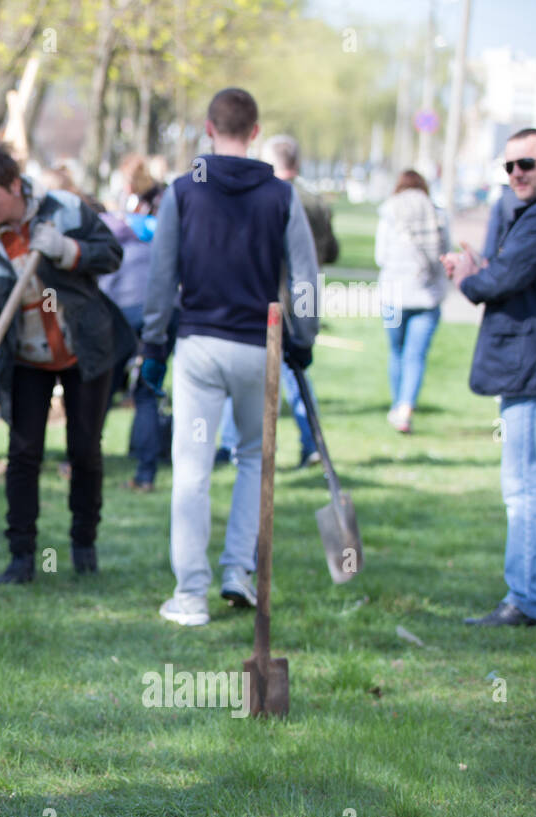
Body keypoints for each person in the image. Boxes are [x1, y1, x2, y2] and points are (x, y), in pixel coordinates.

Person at [141, 88, 320, 626]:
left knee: (193, 469)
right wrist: (304, 337)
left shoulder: (181, 191)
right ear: (256, 130)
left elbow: (159, 276)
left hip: (199, 344)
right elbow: (306, 278)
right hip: (257, 345)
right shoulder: (281, 195)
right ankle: (237, 570)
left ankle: (191, 594)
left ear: (207, 127)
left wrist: (153, 343)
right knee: (252, 460)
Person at [0, 146, 133, 582]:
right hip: (25, 360)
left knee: (84, 449)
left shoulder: (67, 209)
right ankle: (21, 557)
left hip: (84, 350)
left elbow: (110, 253)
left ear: (16, 186)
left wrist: (67, 249)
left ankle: (83, 546)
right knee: (23, 453)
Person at [444, 127, 536, 628]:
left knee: (525, 487)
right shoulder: (529, 215)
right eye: (508, 167)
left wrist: (470, 275)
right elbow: (512, 271)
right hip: (532, 367)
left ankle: (527, 601)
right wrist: (479, 267)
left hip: (534, 370)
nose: (516, 175)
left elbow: (500, 281)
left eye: (527, 164)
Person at [219, 134, 338, 468]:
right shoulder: (313, 199)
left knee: (249, 376)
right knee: (291, 374)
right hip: (295, 296)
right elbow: (330, 250)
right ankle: (308, 440)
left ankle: (235, 445)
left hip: (271, 298)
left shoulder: (267, 198)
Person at [98, 154, 168, 491]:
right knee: (147, 392)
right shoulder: (162, 221)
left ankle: (80, 461)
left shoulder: (112, 224)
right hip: (154, 312)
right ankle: (145, 474)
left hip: (119, 312)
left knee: (103, 389)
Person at [376, 170, 449, 434]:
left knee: (397, 352)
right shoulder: (437, 212)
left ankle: (398, 406)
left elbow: (380, 255)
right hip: (427, 294)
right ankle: (405, 409)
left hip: (395, 294)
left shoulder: (390, 211)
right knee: (415, 356)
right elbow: (445, 253)